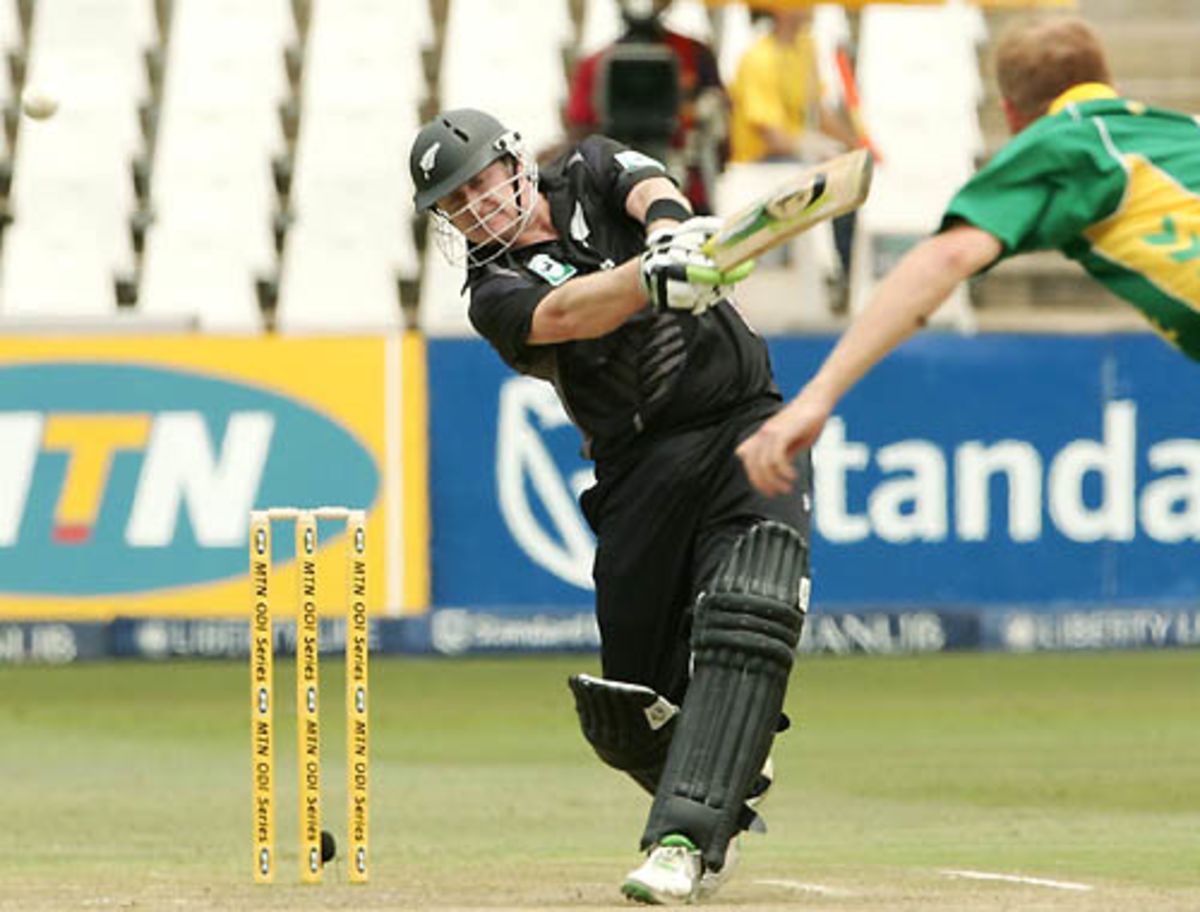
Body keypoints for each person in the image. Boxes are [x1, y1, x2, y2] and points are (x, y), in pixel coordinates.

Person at [409, 108, 812, 904]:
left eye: (478, 183)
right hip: (639, 468)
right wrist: (649, 280)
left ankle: (683, 842)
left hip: (742, 421)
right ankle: (725, 760)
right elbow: (563, 314)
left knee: (748, 606)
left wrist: (671, 234)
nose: (472, 208)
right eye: (453, 205)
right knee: (630, 713)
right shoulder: (492, 293)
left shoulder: (587, 167)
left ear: (513, 162)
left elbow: (648, 187)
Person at [737, 14, 1200, 497]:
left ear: (1013, 117)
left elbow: (950, 256)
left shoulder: (1068, 141)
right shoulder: (1182, 131)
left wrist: (817, 396)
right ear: (1110, 85)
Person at [727, 8, 859, 278]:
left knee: (850, 171)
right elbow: (770, 135)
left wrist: (855, 144)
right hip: (761, 157)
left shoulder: (804, 46)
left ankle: (844, 269)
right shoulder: (758, 58)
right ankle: (834, 270)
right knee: (828, 172)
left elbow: (819, 110)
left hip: (795, 152)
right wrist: (815, 148)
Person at [564, 0, 726, 213]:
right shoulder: (595, 64)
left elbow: (721, 130)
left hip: (687, 186)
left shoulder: (696, 54)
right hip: (616, 193)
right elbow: (580, 130)